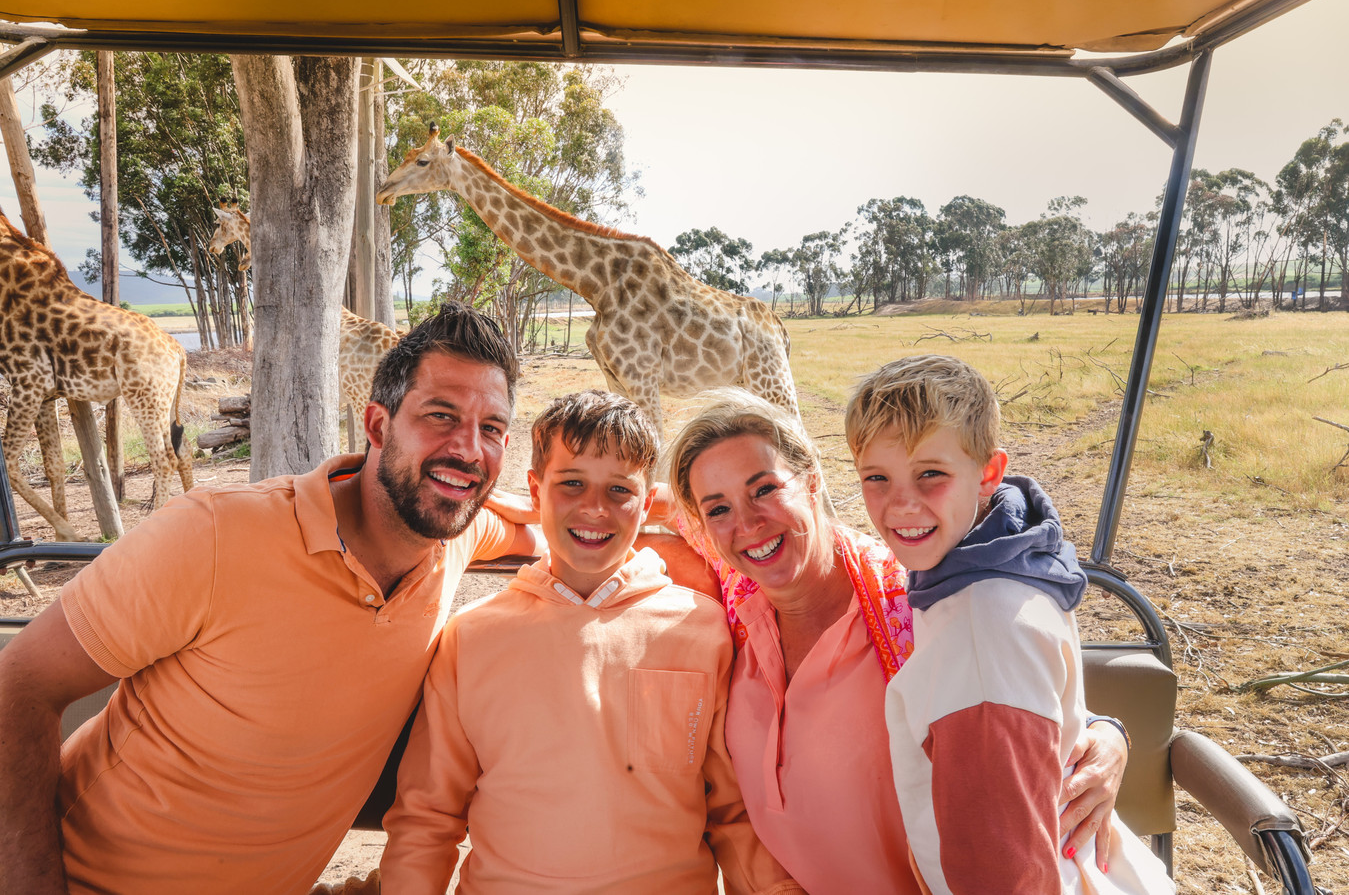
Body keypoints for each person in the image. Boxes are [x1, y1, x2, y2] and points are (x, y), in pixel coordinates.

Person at [0, 302, 541, 895]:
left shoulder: (452, 537)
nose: (468, 449)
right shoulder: (213, 535)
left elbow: (554, 531)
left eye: (491, 429)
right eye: (441, 416)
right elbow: (18, 684)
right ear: (378, 426)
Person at [656, 389, 1131, 895]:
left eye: (765, 489)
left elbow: (1009, 680)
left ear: (812, 480)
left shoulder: (906, 604)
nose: (747, 524)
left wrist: (1106, 733)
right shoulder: (736, 596)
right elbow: (632, 510)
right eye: (718, 509)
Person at [376, 389, 800, 894]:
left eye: (619, 490)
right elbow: (427, 816)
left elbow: (734, 812)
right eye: (572, 483)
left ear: (647, 504)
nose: (595, 508)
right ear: (536, 492)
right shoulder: (470, 638)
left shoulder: (702, 629)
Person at [847, 354, 1173, 894]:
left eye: (931, 474)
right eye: (876, 478)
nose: (900, 504)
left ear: (989, 474)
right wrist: (1106, 728)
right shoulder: (996, 560)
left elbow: (1005, 874)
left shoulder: (979, 631)